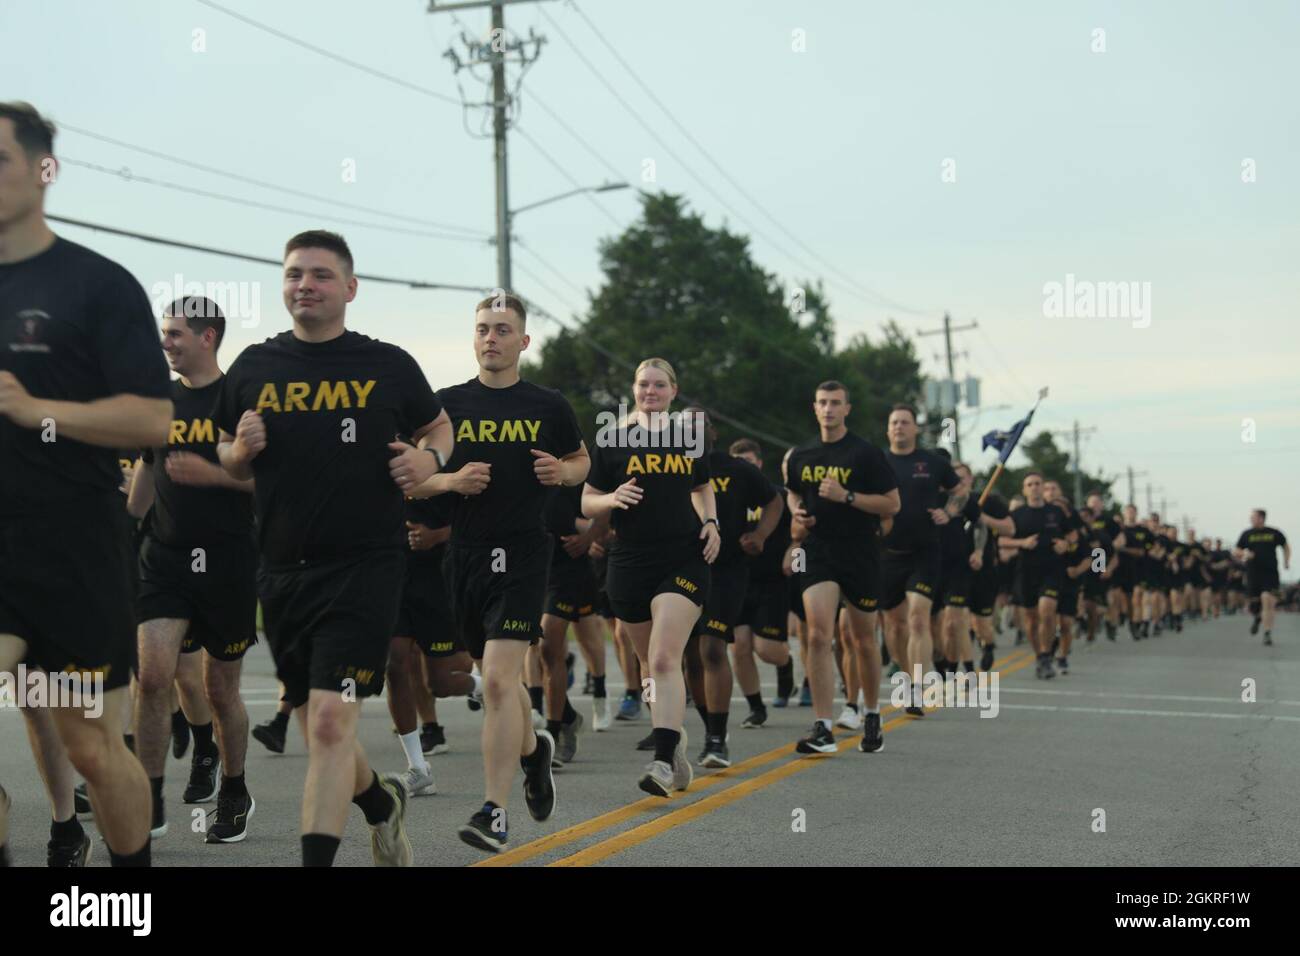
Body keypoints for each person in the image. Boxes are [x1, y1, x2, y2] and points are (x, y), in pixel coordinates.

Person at [214, 229, 454, 866]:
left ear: (349, 288)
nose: (305, 285)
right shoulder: (253, 367)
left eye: (320, 275)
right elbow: (225, 457)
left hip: (366, 568)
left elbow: (438, 425)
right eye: (294, 274)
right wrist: (238, 452)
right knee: (319, 724)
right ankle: (380, 804)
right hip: (283, 575)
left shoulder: (387, 363)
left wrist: (429, 459)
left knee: (327, 723)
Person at [0, 101, 173, 867]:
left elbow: (151, 421)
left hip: (70, 545)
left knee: (92, 748)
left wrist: (35, 409)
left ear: (43, 171)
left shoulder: (95, 285)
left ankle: (124, 895)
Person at [413, 292, 585, 852]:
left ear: (523, 341)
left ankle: (494, 811)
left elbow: (583, 460)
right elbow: (413, 478)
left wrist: (563, 471)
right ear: (473, 337)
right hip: (463, 556)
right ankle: (536, 754)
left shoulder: (548, 405)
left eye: (503, 330)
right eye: (484, 329)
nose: (492, 338)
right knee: (499, 684)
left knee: (495, 683)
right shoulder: (445, 406)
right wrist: (450, 482)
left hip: (522, 553)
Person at [129, 296, 257, 843]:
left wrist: (216, 476)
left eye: (175, 333)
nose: (165, 343)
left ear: (207, 337)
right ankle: (148, 795)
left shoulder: (241, 401)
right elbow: (145, 470)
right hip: (164, 559)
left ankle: (233, 789)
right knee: (154, 675)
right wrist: (120, 529)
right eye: (163, 332)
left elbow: (269, 484)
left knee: (220, 690)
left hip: (228, 561)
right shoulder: (158, 402)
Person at [583, 358, 720, 795]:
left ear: (673, 391)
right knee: (649, 666)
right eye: (643, 384)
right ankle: (674, 745)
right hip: (629, 561)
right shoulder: (611, 438)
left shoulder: (689, 439)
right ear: (634, 388)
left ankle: (660, 763)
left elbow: (702, 487)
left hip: (683, 557)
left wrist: (712, 523)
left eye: (659, 385)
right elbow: (585, 501)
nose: (650, 392)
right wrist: (611, 498)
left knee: (663, 658)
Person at [785, 382, 899, 753]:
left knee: (863, 640)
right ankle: (822, 726)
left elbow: (891, 504)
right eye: (822, 403)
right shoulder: (801, 455)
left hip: (860, 551)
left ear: (847, 408)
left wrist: (847, 496)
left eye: (835, 403)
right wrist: (797, 513)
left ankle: (870, 711)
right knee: (818, 635)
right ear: (814, 408)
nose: (829, 409)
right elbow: (793, 492)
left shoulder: (865, 454)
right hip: (819, 551)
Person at [682, 410, 781, 766]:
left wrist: (760, 534)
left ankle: (715, 739)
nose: (692, 432)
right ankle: (712, 728)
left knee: (711, 649)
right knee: (691, 657)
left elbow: (774, 501)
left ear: (713, 433)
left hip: (726, 571)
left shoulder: (736, 470)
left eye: (699, 426)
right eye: (684, 427)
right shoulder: (667, 465)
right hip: (681, 570)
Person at [879, 405, 962, 714]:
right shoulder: (877, 461)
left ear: (915, 429)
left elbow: (961, 490)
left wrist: (950, 511)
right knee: (895, 625)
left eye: (905, 422)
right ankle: (903, 672)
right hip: (887, 553)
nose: (899, 427)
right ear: (888, 429)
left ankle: (915, 687)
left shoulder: (932, 462)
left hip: (925, 551)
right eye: (894, 422)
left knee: (917, 618)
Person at [728, 438, 796, 722]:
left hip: (772, 582)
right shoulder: (725, 496)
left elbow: (801, 534)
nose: (746, 466)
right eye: (739, 462)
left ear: (759, 463)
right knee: (740, 646)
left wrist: (795, 554)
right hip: (737, 580)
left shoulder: (777, 496)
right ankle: (756, 707)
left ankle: (786, 664)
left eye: (750, 461)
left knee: (767, 650)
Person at [1002, 473, 1071, 679]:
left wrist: (1098, 567)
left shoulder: (1057, 512)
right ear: (1025, 490)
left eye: (1038, 484)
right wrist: (1021, 543)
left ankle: (1051, 655)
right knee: (1031, 620)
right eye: (1029, 485)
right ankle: (1042, 656)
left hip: (1052, 570)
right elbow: (1001, 542)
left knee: (1049, 611)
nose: (1034, 487)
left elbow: (1080, 540)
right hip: (1026, 571)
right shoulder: (1017, 515)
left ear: (1044, 487)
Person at [1234, 509, 1290, 646]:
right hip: (1253, 573)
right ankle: (1257, 616)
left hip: (1270, 573)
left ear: (1261, 518)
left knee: (1267, 599)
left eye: (1253, 517)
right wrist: (1245, 553)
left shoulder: (1273, 532)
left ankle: (1267, 633)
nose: (1251, 519)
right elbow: (1236, 550)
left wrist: (1286, 561)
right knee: (1254, 605)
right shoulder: (1247, 534)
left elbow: (1286, 546)